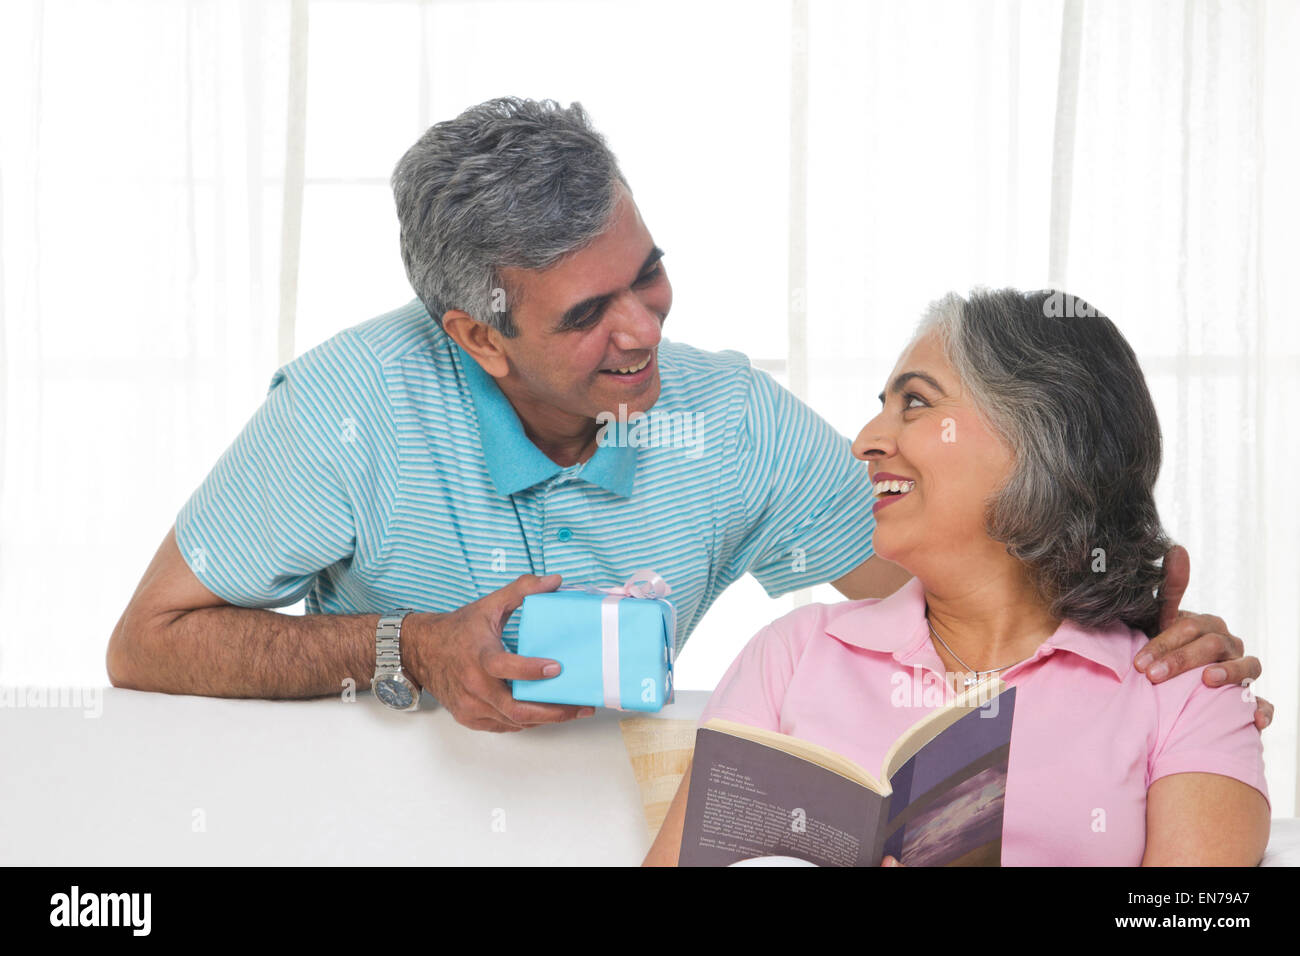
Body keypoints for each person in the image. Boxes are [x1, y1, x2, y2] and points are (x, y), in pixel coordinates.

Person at [106, 98, 1268, 736]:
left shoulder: (730, 420)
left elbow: (961, 573)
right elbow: (146, 641)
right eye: (586, 314)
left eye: (647, 273)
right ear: (476, 335)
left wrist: (1138, 633)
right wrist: (409, 644)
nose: (643, 328)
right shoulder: (349, 407)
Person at [645, 289, 1270, 866]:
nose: (865, 442)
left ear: (1039, 435)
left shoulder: (1186, 688)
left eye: (915, 402)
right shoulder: (794, 653)